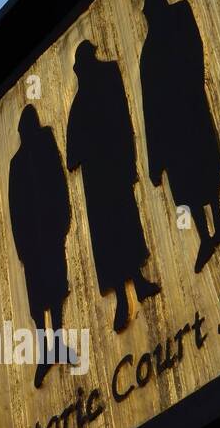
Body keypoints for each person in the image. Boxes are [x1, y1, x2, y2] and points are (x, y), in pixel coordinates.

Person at [139, 0, 220, 274]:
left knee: (204, 165)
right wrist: (155, 159)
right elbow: (150, 104)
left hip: (189, 107)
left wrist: (191, 88)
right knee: (187, 180)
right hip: (172, 124)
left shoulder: (180, 15)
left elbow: (196, 52)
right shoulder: (147, 50)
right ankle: (205, 237)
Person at [66, 40, 161, 333]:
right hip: (106, 175)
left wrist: (126, 160)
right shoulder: (84, 99)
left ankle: (133, 287)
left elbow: (119, 121)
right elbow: (72, 158)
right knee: (117, 229)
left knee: (119, 228)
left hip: (109, 172)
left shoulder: (99, 85)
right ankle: (126, 294)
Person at [7, 104, 74, 388]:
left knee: (56, 290)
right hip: (32, 243)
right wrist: (22, 247)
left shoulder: (46, 144)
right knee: (38, 302)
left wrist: (63, 218)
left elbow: (59, 180)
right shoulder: (17, 162)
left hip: (50, 232)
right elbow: (15, 207)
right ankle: (46, 350)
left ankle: (58, 343)